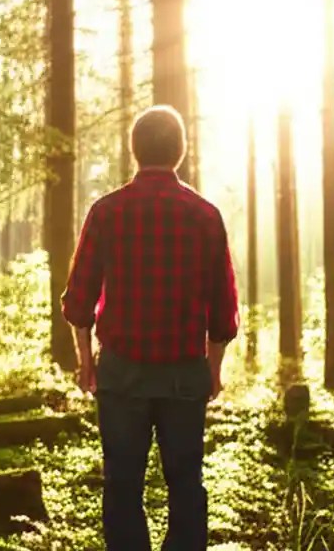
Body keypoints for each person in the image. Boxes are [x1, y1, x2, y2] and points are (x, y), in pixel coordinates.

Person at [61, 105, 239, 550]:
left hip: (120, 374)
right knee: (186, 486)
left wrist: (86, 362)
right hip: (184, 373)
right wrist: (213, 369)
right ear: (180, 151)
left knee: (121, 486)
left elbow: (79, 301)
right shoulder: (205, 215)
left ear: (134, 151)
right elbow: (223, 308)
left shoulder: (106, 212)